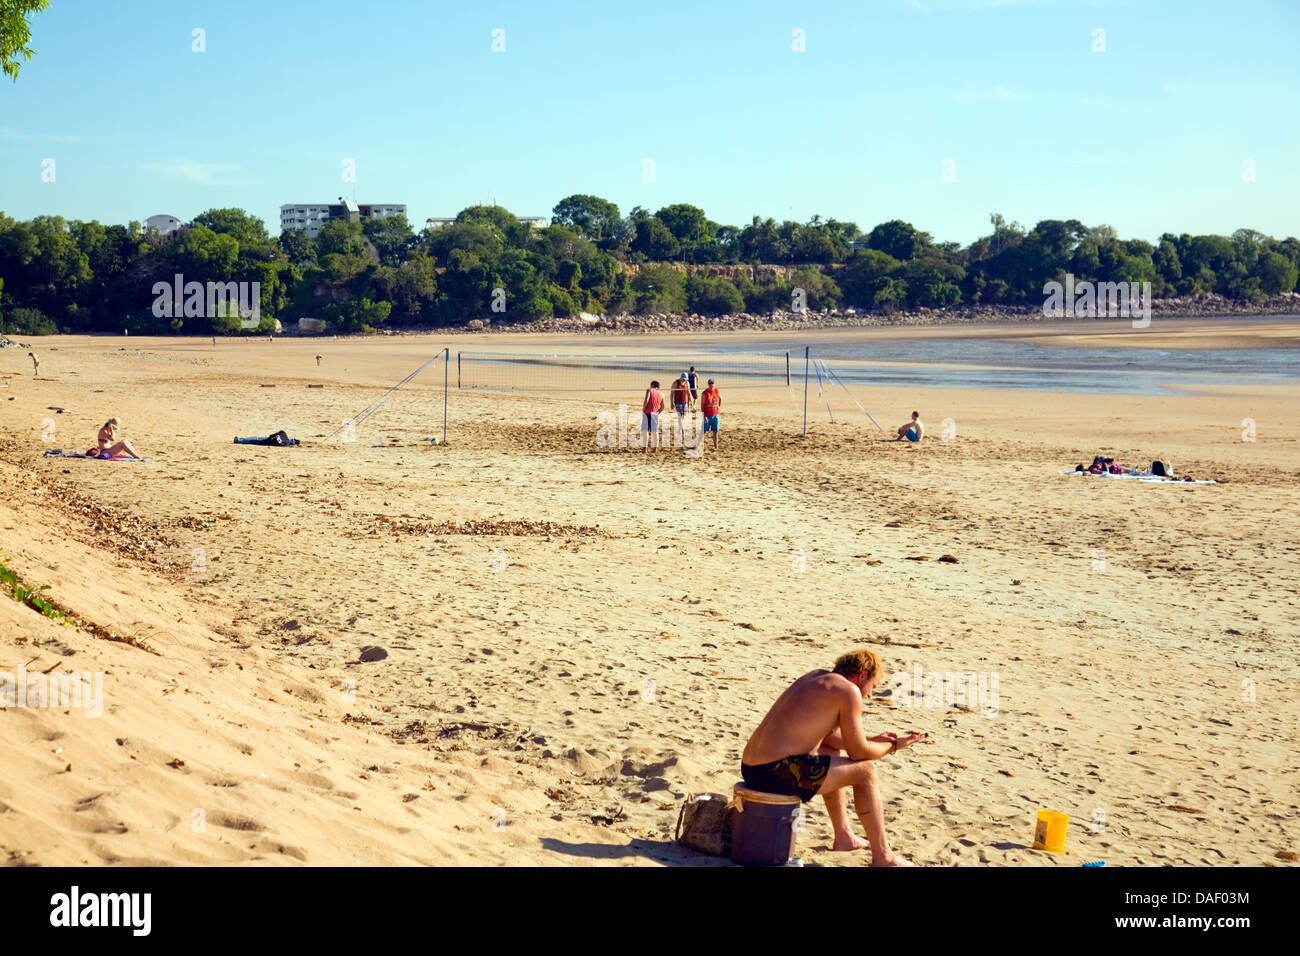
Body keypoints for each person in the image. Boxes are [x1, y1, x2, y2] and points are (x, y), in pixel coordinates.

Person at [741, 650, 926, 866]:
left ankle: (844, 836)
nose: (870, 695)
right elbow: (858, 752)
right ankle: (883, 856)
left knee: (829, 752)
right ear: (863, 676)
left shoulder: (817, 677)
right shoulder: (848, 691)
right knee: (866, 771)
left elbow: (830, 735)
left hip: (752, 768)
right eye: (873, 687)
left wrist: (871, 738)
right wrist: (892, 746)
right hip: (777, 774)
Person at [641, 380, 664, 452]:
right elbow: (663, 406)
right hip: (655, 414)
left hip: (647, 412)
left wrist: (643, 409)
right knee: (655, 431)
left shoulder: (649, 390)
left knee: (645, 431)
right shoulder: (662, 394)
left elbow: (646, 400)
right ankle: (655, 448)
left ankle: (645, 448)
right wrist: (657, 412)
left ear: (652, 385)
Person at [699, 378, 721, 451]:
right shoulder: (705, 393)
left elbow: (720, 398)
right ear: (708, 384)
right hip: (707, 415)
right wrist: (703, 415)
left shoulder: (716, 391)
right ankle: (699, 445)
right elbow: (702, 405)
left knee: (715, 431)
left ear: (714, 384)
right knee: (704, 431)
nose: (711, 385)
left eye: (712, 383)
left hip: (715, 414)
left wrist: (719, 406)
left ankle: (716, 447)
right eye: (710, 383)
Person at [669, 373, 691, 444]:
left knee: (683, 418)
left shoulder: (687, 383)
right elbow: (672, 393)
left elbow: (689, 392)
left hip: (685, 403)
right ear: (681, 377)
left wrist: (690, 402)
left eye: (685, 379)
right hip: (678, 402)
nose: (684, 380)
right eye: (684, 379)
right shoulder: (676, 383)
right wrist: (671, 403)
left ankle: (680, 429)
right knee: (679, 417)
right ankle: (682, 432)